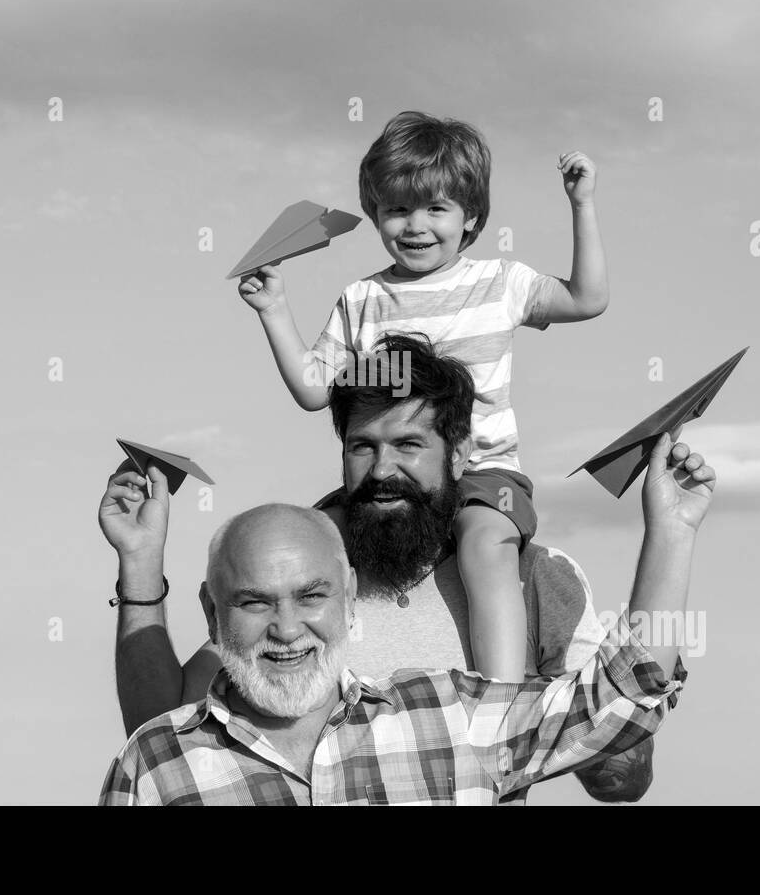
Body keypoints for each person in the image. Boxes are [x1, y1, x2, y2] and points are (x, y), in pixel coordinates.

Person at [100, 334, 705, 803]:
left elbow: (619, 769)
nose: (383, 469)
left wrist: (669, 538)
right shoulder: (300, 588)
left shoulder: (533, 583)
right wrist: (139, 562)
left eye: (409, 445)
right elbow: (169, 745)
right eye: (363, 446)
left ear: (461, 452)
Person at [236, 110, 608, 683]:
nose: (416, 225)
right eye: (397, 209)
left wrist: (581, 205)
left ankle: (501, 697)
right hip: (393, 472)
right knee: (308, 542)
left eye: (436, 208)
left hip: (485, 471)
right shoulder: (363, 298)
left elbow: (587, 300)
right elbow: (314, 390)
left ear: (471, 217)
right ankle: (304, 686)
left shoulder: (500, 283)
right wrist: (273, 310)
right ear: (375, 215)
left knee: (485, 545)